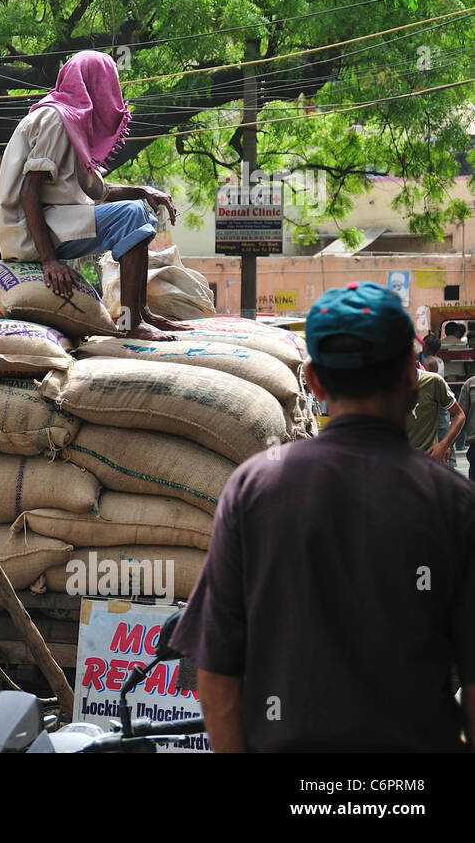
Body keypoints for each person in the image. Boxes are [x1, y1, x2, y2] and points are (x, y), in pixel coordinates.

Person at [170, 281, 475, 752]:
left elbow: (216, 676)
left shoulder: (256, 488)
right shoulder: (455, 503)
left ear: (312, 382)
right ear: (412, 379)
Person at [0, 50, 186, 341]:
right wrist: (49, 261)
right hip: (27, 234)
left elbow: (100, 191)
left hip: (53, 222)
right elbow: (29, 191)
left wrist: (145, 191)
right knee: (131, 214)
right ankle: (130, 323)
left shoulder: (73, 122)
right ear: (96, 85)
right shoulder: (55, 119)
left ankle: (141, 312)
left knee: (137, 209)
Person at [407, 361, 463, 464]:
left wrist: (444, 445)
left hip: (427, 460)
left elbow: (459, 414)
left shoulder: (432, 381)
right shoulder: (382, 386)